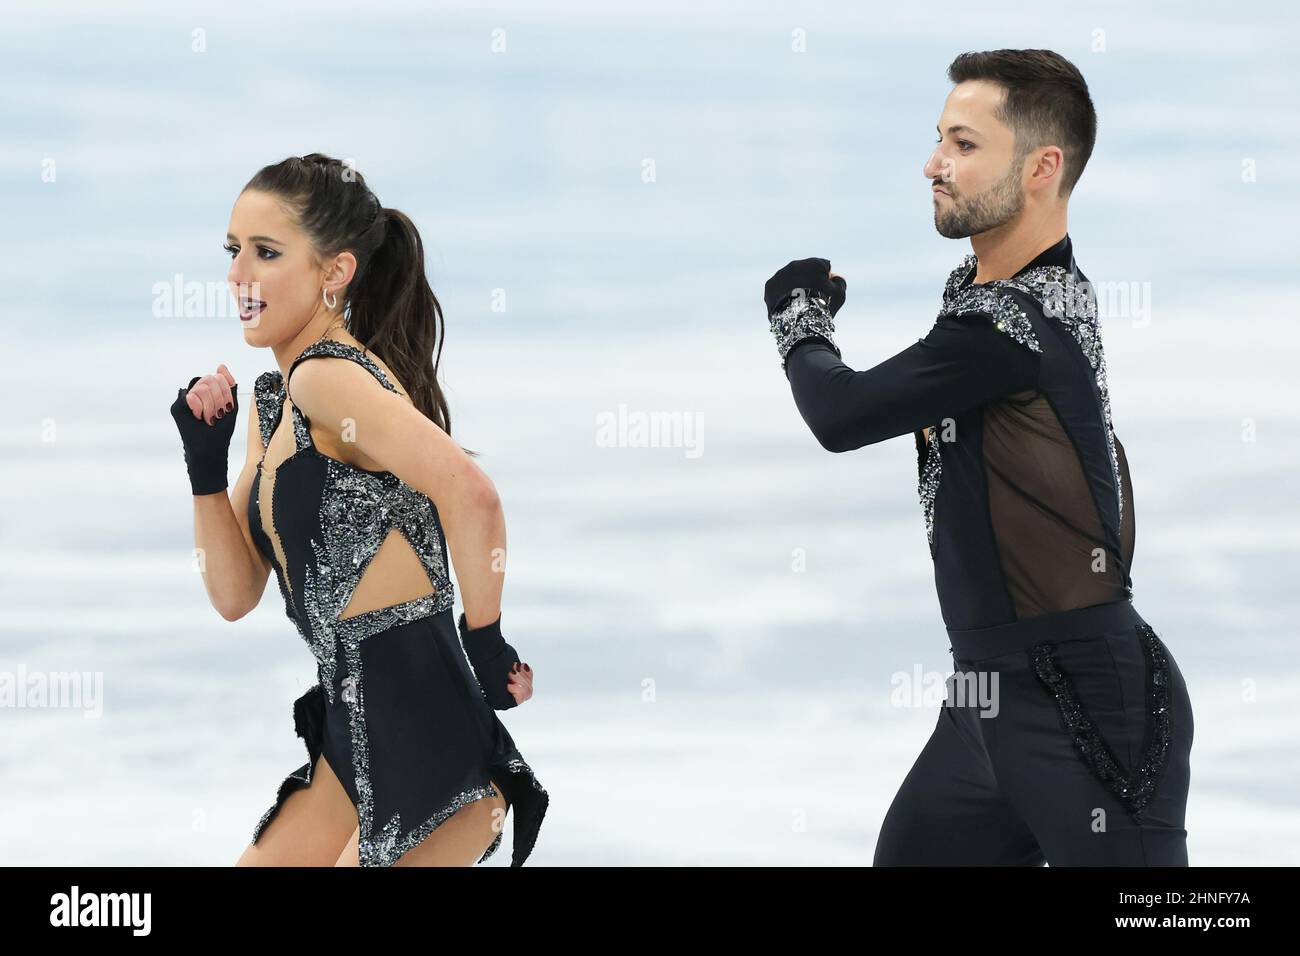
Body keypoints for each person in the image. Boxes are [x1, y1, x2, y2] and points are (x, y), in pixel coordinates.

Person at [765, 50, 1193, 865]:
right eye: (938, 139)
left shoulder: (1010, 327)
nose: (933, 164)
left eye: (964, 144)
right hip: (983, 703)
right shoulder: (998, 295)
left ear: (1042, 167)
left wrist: (798, 314)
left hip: (1090, 707)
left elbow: (842, 413)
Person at [169, 153, 547, 866]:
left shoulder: (326, 382)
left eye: (267, 252)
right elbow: (233, 593)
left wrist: (486, 637)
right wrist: (204, 468)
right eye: (234, 251)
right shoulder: (274, 404)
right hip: (352, 749)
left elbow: (472, 494)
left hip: (432, 749)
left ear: (334, 272)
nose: (238, 276)